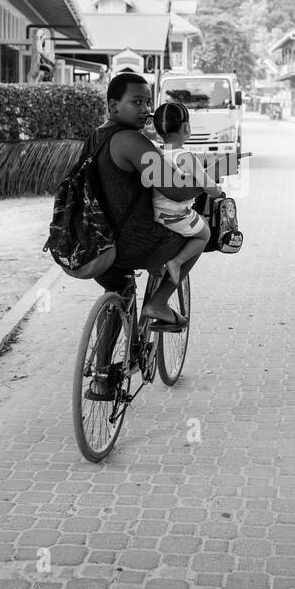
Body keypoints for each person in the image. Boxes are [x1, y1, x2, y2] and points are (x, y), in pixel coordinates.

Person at [83, 74, 221, 398]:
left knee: (120, 291)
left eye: (148, 102)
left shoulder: (95, 137)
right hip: (134, 242)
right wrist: (205, 184)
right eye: (136, 102)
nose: (145, 109)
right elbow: (172, 189)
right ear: (113, 105)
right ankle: (158, 305)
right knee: (195, 238)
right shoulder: (132, 142)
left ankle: (102, 377)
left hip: (95, 244)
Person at [150, 102, 218, 286]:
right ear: (187, 128)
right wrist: (218, 189)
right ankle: (176, 262)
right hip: (175, 217)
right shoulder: (187, 158)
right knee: (204, 234)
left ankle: (157, 265)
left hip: (152, 213)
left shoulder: (154, 152)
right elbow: (209, 188)